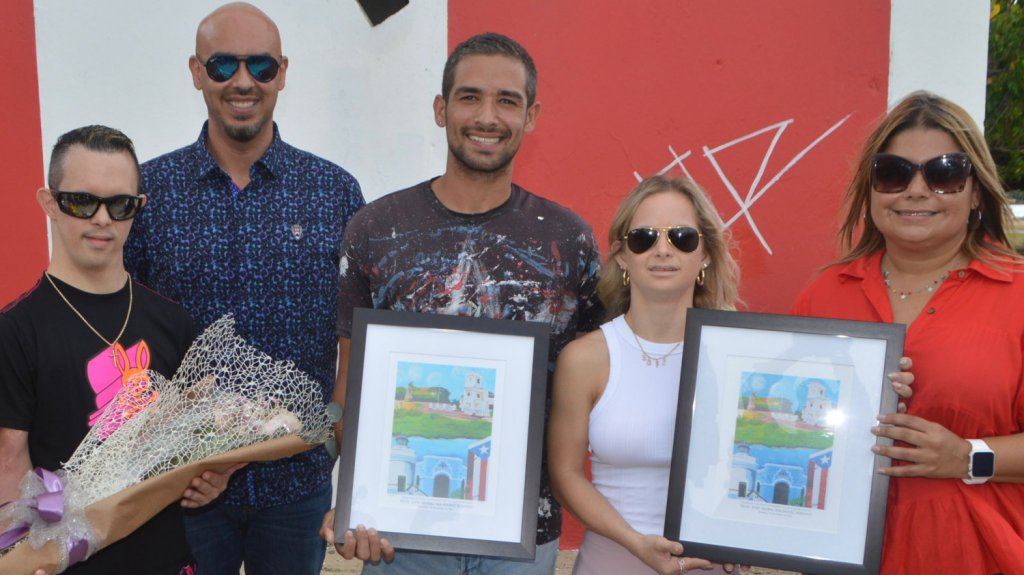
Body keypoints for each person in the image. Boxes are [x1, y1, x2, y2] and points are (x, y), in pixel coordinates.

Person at [320, 32, 604, 574]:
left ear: (532, 116)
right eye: (470, 97)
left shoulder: (570, 241)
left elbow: (596, 392)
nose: (487, 117)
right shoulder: (375, 229)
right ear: (440, 108)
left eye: (507, 101)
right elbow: (349, 387)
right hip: (399, 537)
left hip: (524, 535)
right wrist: (359, 495)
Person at [123, 3, 365, 574]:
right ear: (195, 70)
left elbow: (358, 327)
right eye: (223, 65)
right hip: (179, 486)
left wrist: (335, 430)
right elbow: (121, 330)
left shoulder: (334, 191)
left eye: (259, 65)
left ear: (282, 71)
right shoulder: (149, 192)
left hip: (296, 484)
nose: (242, 81)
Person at [792, 91, 1024, 573]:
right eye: (895, 173)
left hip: (982, 556)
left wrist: (966, 457)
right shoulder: (824, 294)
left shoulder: (1018, 294)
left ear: (976, 189)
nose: (916, 190)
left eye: (943, 173)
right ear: (872, 189)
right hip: (845, 557)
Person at [0, 125, 236, 575]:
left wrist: (214, 477)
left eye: (120, 204)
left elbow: (199, 441)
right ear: (49, 203)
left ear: (138, 209)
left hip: (168, 561)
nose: (102, 219)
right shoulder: (15, 331)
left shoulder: (172, 322)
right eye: (81, 201)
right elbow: (9, 466)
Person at [547, 176, 740, 575]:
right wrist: (636, 543)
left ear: (705, 253)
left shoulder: (736, 357)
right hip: (610, 563)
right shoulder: (585, 358)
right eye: (644, 238)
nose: (663, 250)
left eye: (682, 237)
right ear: (621, 255)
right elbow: (565, 474)